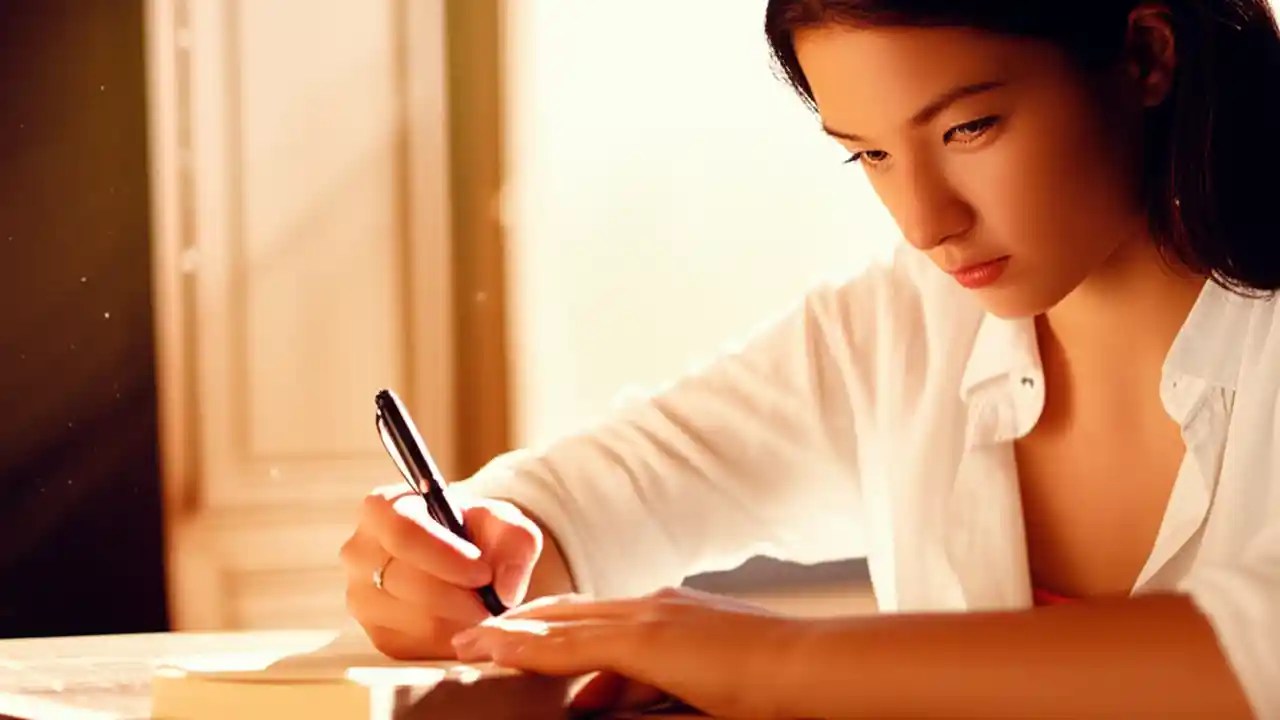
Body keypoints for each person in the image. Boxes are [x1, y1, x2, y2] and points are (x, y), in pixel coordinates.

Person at [341, 1, 1280, 716]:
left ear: (1144, 54)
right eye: (869, 155)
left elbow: (1257, 652)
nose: (925, 223)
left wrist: (770, 663)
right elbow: (595, 502)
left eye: (968, 129)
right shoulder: (904, 327)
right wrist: (473, 547)